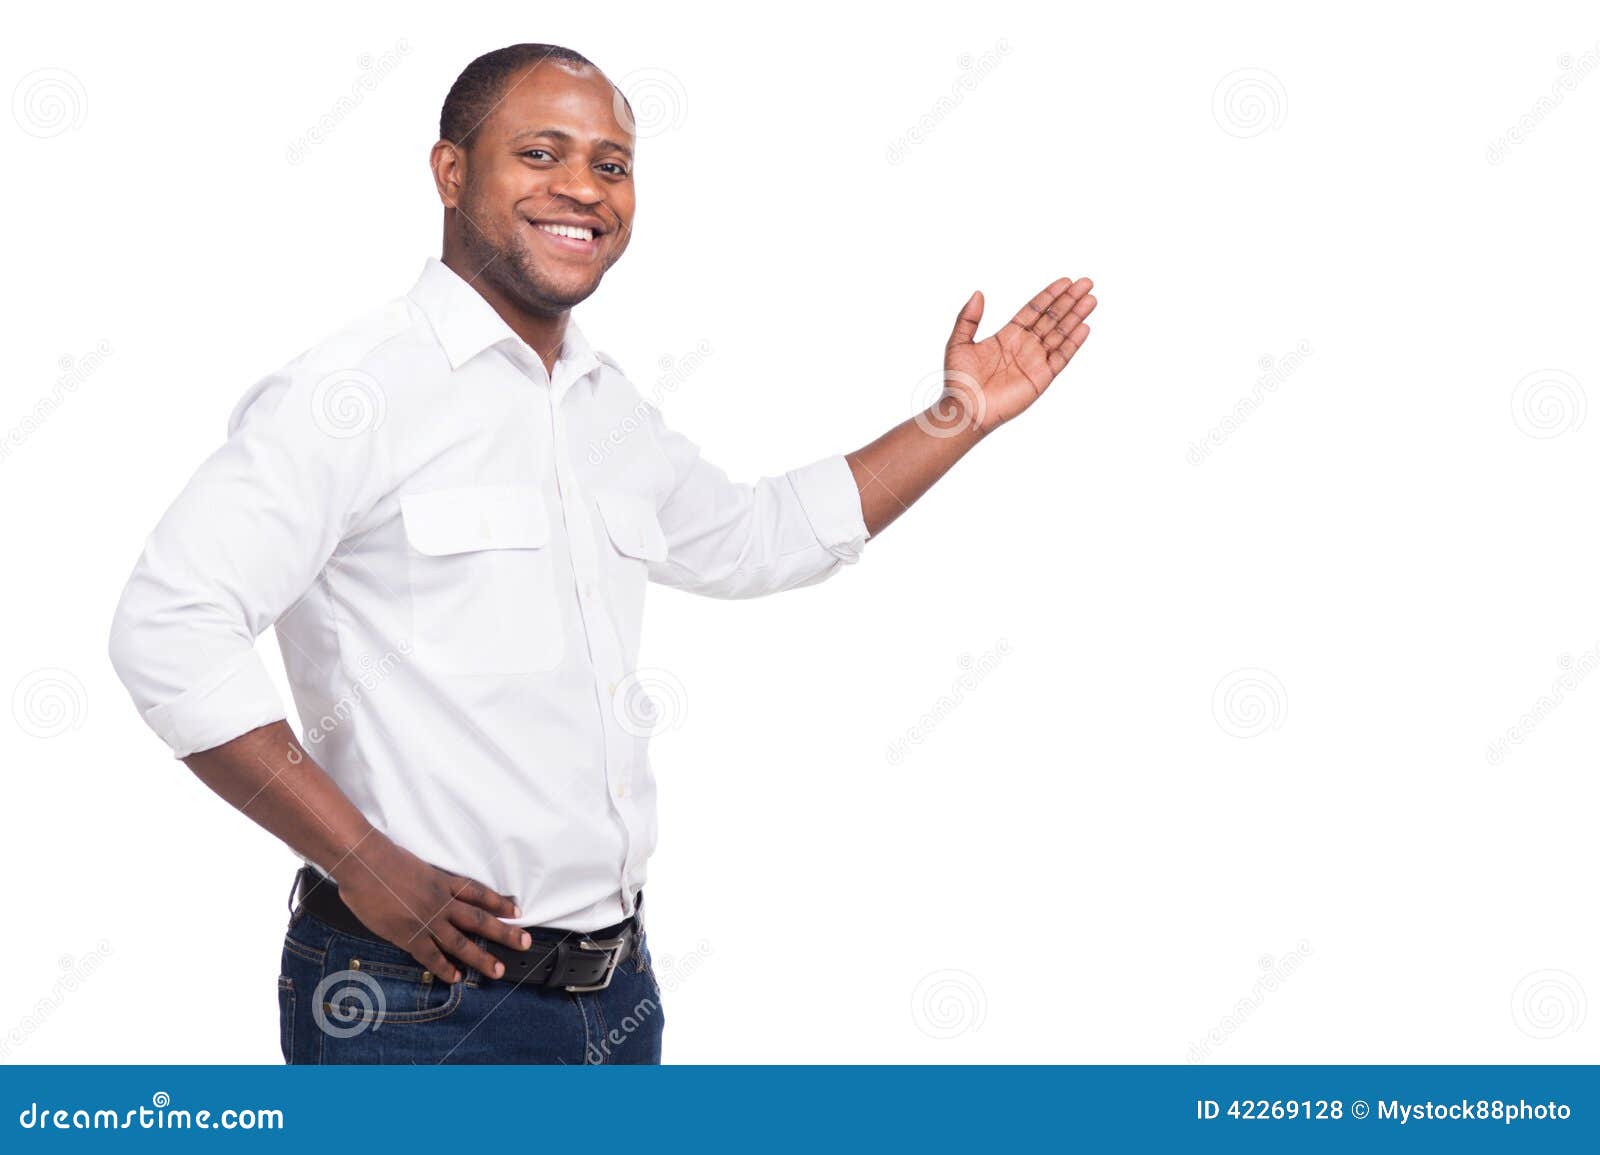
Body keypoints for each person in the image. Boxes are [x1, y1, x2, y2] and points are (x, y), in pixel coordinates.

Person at [107, 43, 1097, 1065]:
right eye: (541, 154)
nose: (583, 188)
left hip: (611, 997)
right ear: (451, 174)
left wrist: (958, 416)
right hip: (409, 1001)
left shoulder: (603, 406)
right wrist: (356, 857)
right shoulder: (351, 393)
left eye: (612, 165)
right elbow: (169, 627)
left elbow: (765, 538)